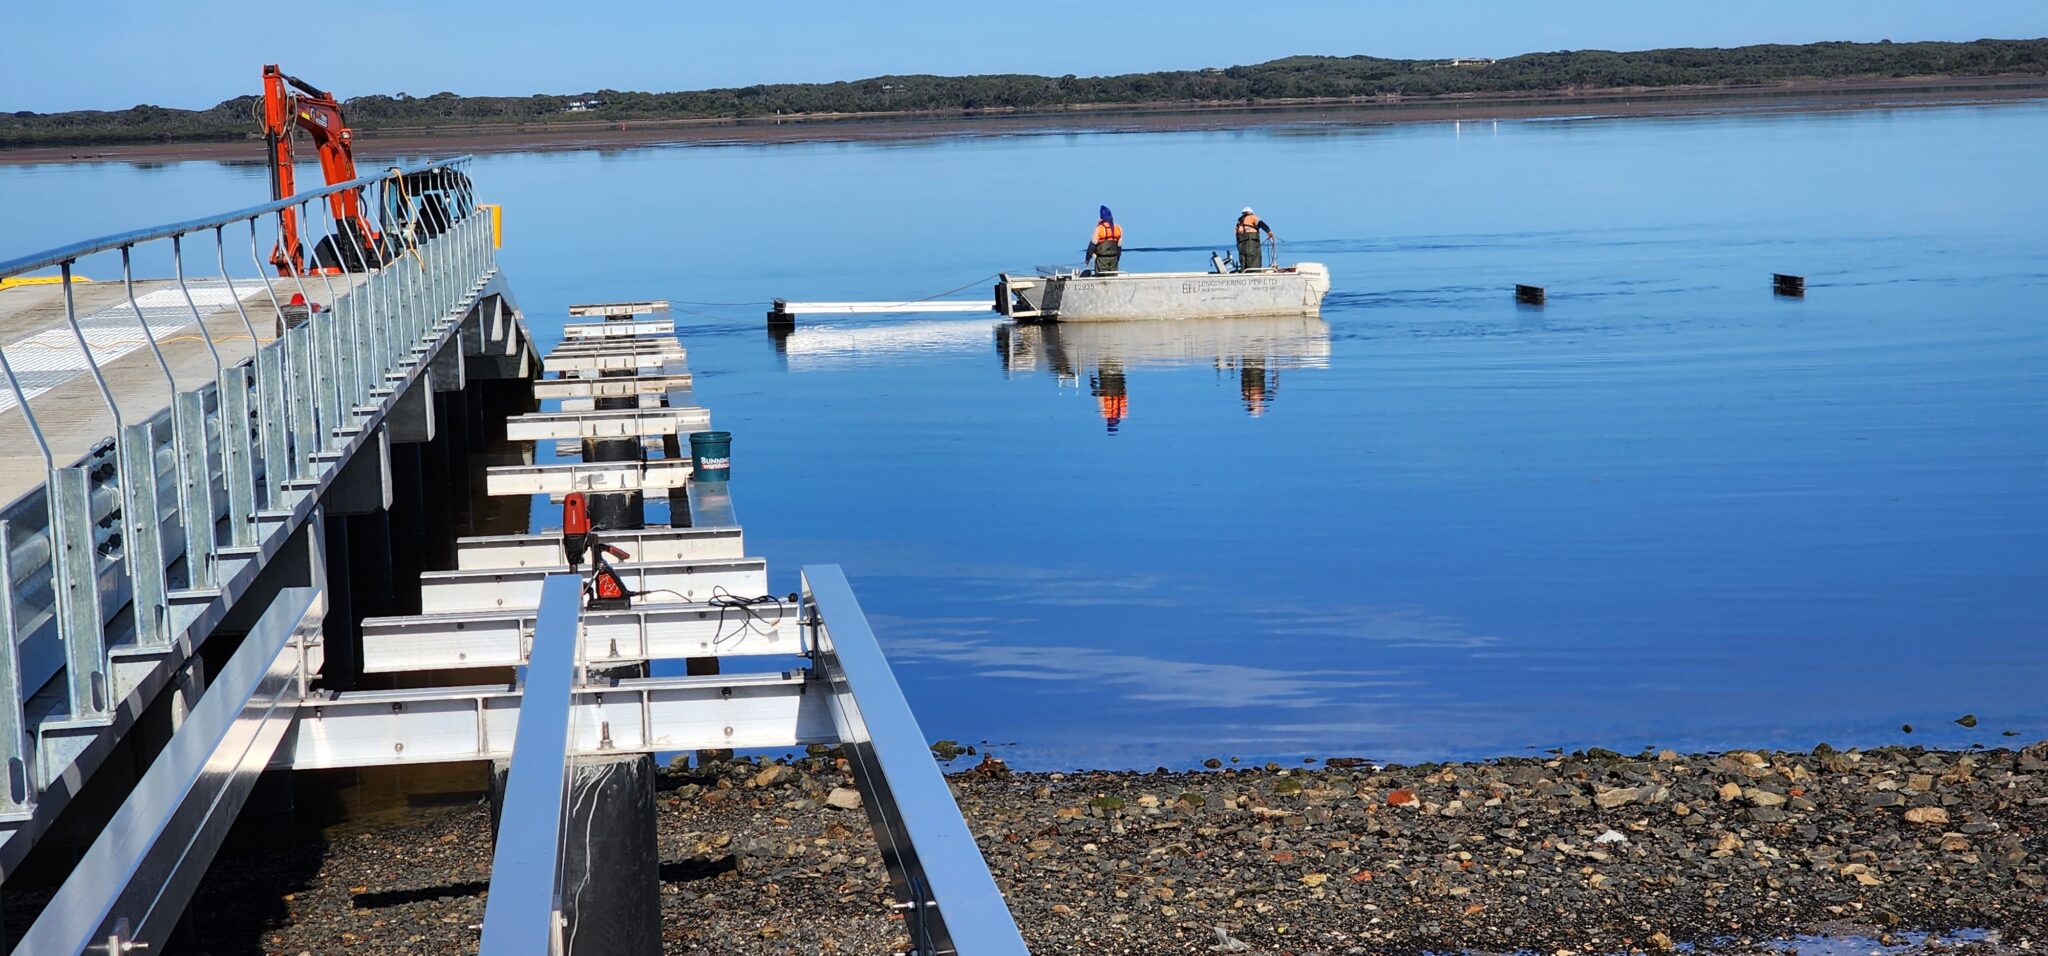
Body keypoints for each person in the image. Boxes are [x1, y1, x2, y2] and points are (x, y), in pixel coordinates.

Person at [1087, 205, 1124, 275]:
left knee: (1101, 277)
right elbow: (1119, 248)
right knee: (1113, 277)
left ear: (1101, 217)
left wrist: (1087, 259)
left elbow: (1091, 247)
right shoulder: (1118, 228)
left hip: (1102, 260)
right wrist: (1117, 259)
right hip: (1114, 259)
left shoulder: (1099, 229)